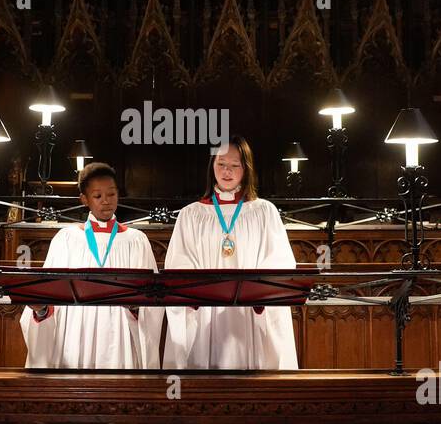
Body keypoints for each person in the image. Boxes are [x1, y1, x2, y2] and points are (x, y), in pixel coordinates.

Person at [163, 135, 298, 369]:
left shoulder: (264, 212)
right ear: (212, 166)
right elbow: (178, 264)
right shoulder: (191, 215)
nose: (227, 171)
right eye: (221, 163)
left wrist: (258, 294)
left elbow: (280, 260)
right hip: (206, 312)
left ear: (246, 169)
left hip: (250, 313)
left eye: (235, 165)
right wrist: (196, 295)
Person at [19, 162, 163, 368]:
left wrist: (137, 306)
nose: (106, 201)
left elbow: (153, 299)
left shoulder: (136, 240)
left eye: (111, 194)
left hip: (120, 332)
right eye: (97, 196)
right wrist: (41, 309)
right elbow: (48, 294)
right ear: (84, 199)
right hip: (76, 332)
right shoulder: (66, 239)